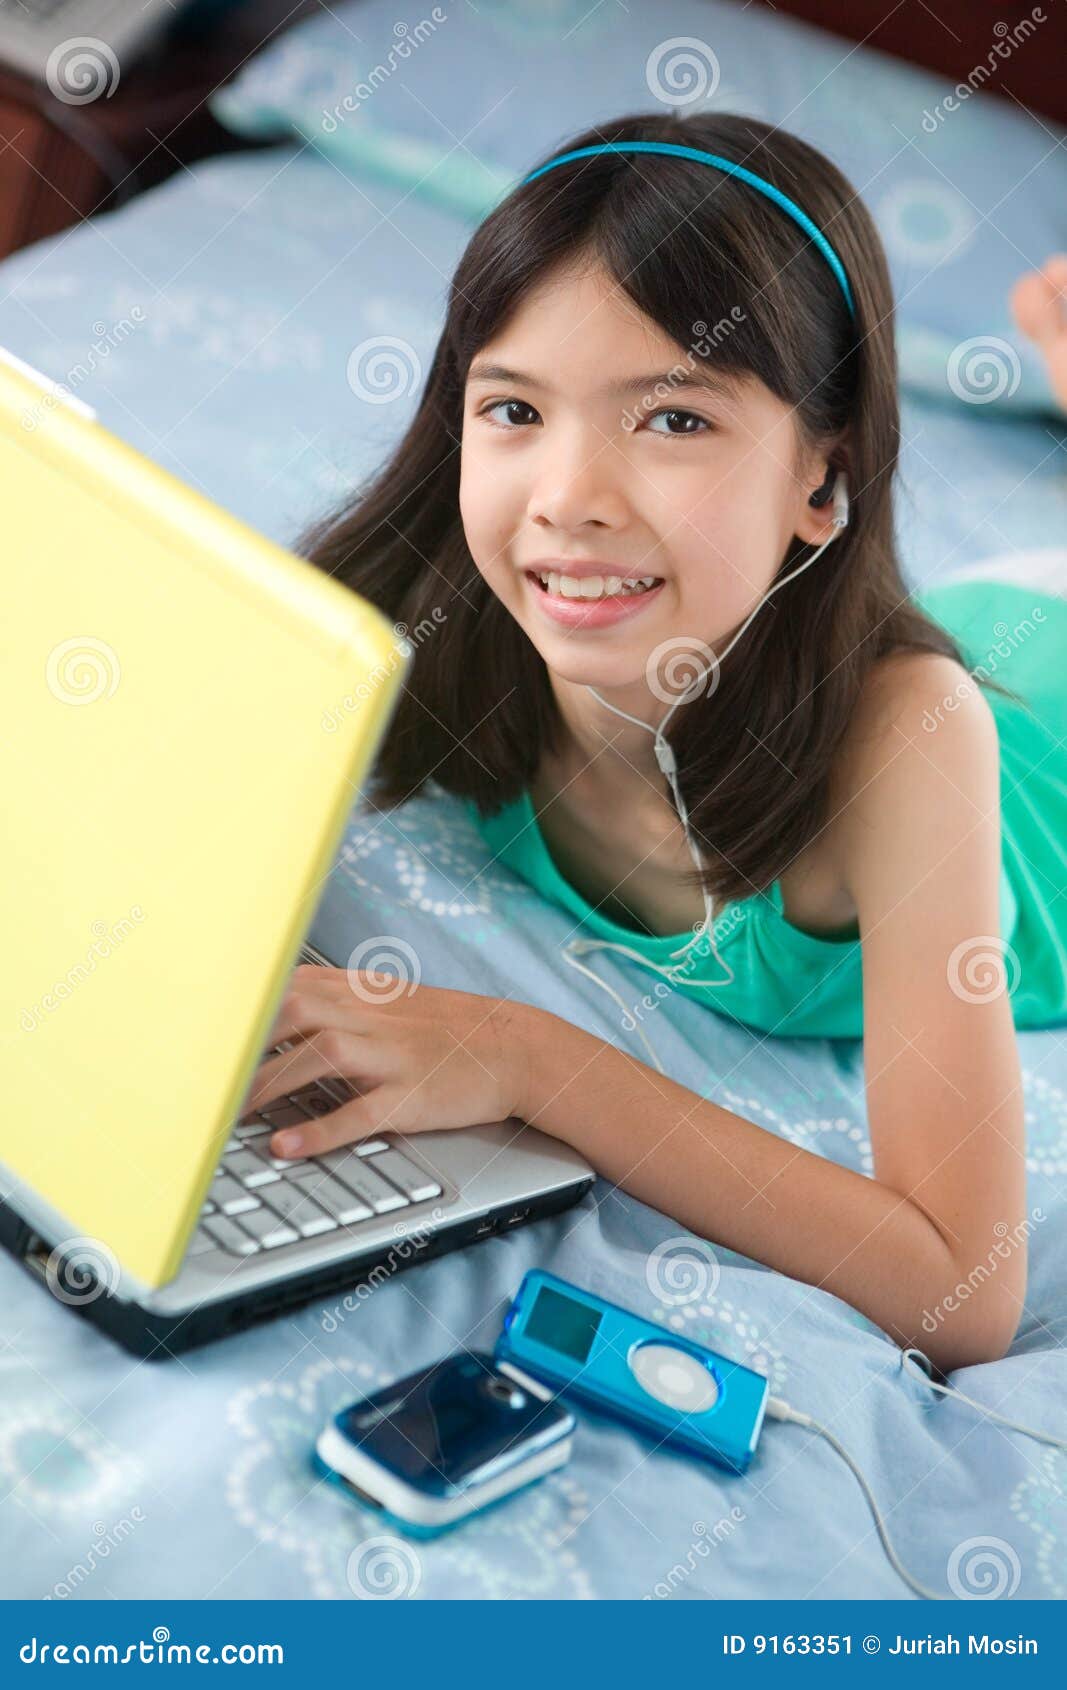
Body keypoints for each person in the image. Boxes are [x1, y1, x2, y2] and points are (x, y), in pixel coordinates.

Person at [245, 112, 1067, 1371]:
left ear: (819, 481)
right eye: (513, 407)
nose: (568, 496)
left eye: (672, 420)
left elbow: (958, 1291)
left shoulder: (902, 739)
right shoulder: (429, 615)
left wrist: (528, 1056)